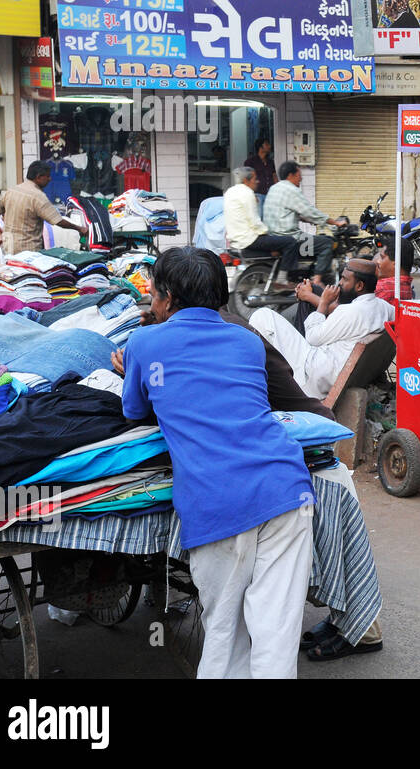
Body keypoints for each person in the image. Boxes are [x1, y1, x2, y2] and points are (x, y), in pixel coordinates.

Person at [119, 247, 314, 679]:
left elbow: (135, 411)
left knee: (223, 629)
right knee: (276, 629)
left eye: (153, 293)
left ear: (166, 298)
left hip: (216, 499)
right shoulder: (246, 340)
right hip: (285, 485)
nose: (151, 301)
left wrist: (128, 372)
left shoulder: (144, 342)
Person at [249, 258, 393, 400]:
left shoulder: (350, 312)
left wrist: (323, 303)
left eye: (344, 279)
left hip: (314, 374)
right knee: (314, 291)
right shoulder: (386, 308)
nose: (340, 283)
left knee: (263, 315)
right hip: (341, 371)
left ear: (359, 286)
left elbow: (312, 338)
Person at [0, 160, 89, 260]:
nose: (50, 179)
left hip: (8, 247)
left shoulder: (12, 190)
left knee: (11, 274)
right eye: (48, 176)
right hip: (27, 251)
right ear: (39, 177)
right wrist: (80, 228)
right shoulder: (38, 197)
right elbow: (58, 221)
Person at [264, 161, 346, 283]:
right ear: (290, 175)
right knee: (326, 244)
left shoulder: (274, 188)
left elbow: (284, 212)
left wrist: (306, 220)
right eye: (299, 175)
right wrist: (335, 222)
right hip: (291, 238)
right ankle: (317, 280)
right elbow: (310, 211)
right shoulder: (291, 190)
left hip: (274, 236)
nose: (301, 179)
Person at [223, 166, 300, 286]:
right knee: (290, 242)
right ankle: (282, 280)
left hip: (235, 239)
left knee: (277, 243)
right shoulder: (247, 193)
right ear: (246, 181)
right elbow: (254, 222)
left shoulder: (230, 192)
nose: (257, 181)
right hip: (249, 239)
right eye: (255, 178)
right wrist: (267, 232)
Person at [373, 237, 415, 304]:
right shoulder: (406, 286)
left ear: (396, 264)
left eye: (382, 257)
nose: (378, 261)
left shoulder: (383, 288)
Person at [245, 137, 278, 205]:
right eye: (266, 144)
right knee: (258, 215)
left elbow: (274, 176)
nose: (269, 146)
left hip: (270, 195)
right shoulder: (250, 162)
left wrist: (278, 191)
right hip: (257, 195)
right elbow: (247, 180)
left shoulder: (270, 162)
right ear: (261, 147)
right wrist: (251, 194)